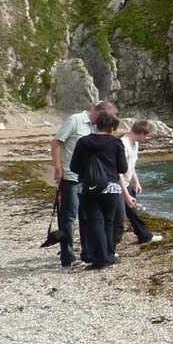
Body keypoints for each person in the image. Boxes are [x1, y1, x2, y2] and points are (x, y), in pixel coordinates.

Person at [50, 100, 117, 268]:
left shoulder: (96, 129)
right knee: (69, 217)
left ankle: (87, 253)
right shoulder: (75, 120)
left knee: (87, 218)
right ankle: (67, 255)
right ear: (102, 113)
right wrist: (58, 169)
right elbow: (56, 142)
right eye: (110, 117)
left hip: (88, 182)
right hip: (71, 176)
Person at [69, 111, 128, 270]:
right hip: (111, 187)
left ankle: (99, 258)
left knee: (94, 222)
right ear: (112, 128)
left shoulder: (83, 142)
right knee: (109, 222)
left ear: (97, 125)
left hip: (87, 188)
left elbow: (73, 167)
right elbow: (123, 168)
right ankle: (108, 256)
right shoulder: (116, 143)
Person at [119, 120, 163, 245]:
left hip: (127, 183)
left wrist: (136, 182)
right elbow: (119, 172)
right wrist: (126, 193)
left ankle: (144, 236)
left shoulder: (135, 144)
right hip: (119, 185)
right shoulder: (123, 144)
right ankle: (109, 248)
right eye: (146, 135)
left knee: (133, 213)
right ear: (142, 133)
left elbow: (131, 166)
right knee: (119, 217)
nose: (146, 138)